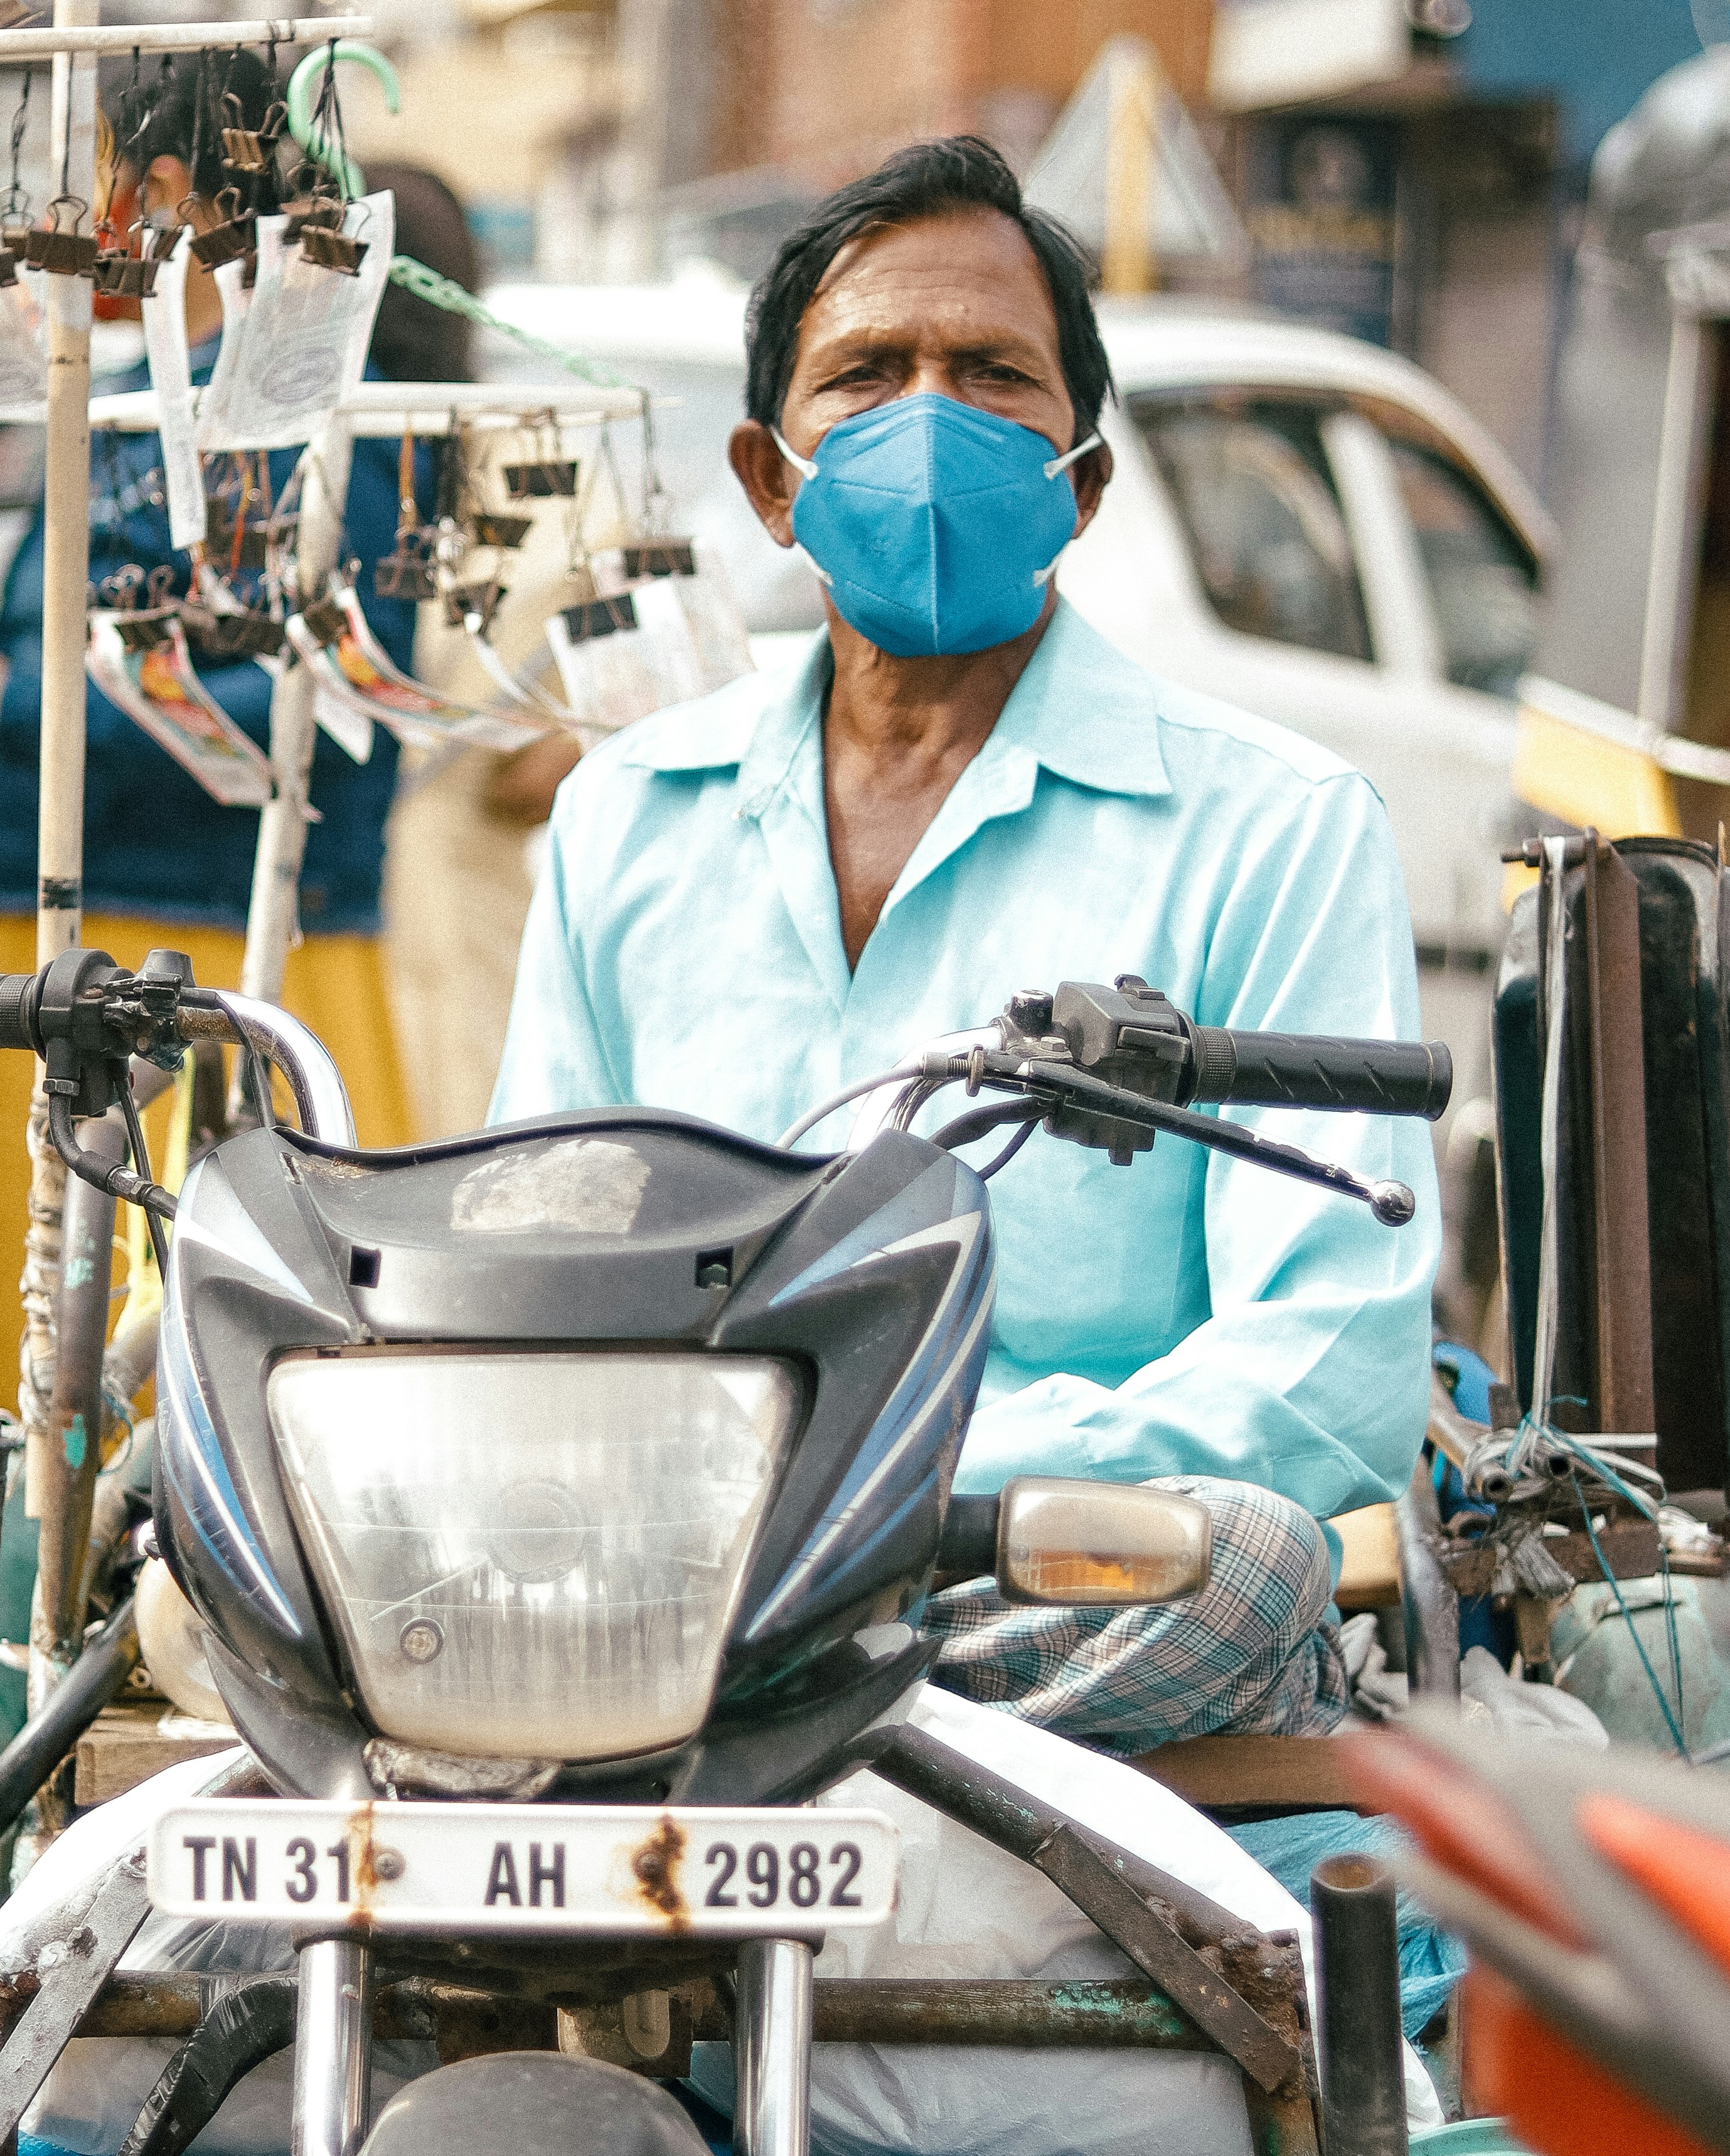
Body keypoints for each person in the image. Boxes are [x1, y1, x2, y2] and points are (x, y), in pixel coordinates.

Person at [491, 137, 1437, 1742]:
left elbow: (1331, 1358)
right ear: (765, 480)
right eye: (864, 373)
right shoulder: (626, 815)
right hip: (672, 1570)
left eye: (993, 373)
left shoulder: (1274, 823)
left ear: (1084, 477)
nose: (928, 419)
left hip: (1043, 1574)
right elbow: (540, 1256)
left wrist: (916, 1482)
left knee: (1251, 1566)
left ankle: (767, 1730)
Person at [0, 55, 427, 1423]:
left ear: (171, 192)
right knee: (11, 1358)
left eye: (84, 177)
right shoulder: (139, 386)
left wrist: (8, 698)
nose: (55, 217)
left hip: (209, 957)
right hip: (61, 930)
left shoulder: (304, 423)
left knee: (218, 1379)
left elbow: (320, 698)